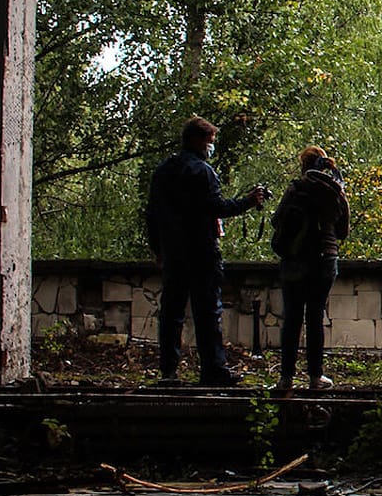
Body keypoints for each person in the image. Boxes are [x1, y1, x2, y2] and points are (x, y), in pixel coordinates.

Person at [145, 116, 266, 386]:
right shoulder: (203, 172)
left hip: (174, 251)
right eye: (210, 142)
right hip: (202, 251)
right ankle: (213, 369)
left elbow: (152, 214)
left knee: (171, 312)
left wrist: (158, 248)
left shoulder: (164, 171)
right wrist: (247, 202)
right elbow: (217, 207)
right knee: (208, 312)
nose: (211, 147)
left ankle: (168, 371)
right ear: (198, 140)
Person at [271, 145, 351, 392]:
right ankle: (316, 377)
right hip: (324, 258)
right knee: (315, 317)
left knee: (292, 318)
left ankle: (286, 378)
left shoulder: (296, 189)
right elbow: (343, 231)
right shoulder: (336, 191)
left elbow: (277, 220)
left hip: (295, 258)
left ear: (304, 165)